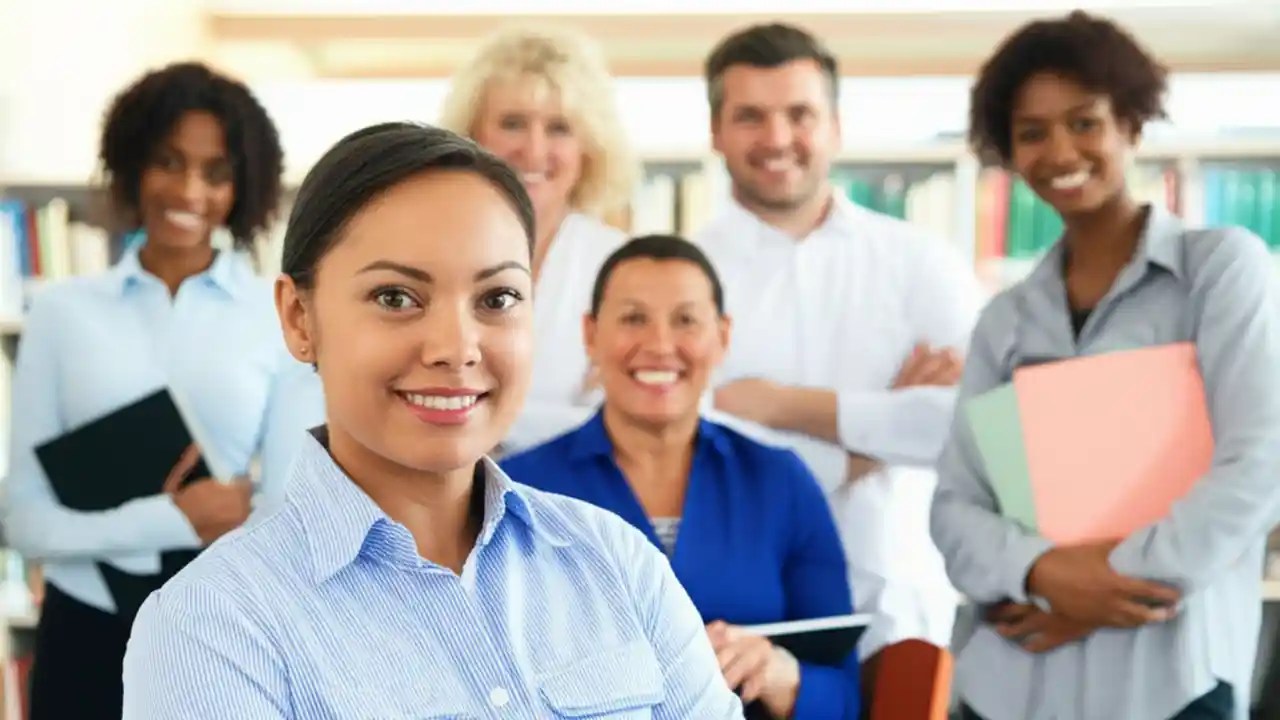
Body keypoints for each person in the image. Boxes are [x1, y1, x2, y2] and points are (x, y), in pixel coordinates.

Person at [120, 122, 744, 719]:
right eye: (396, 298)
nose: (457, 346)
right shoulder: (213, 625)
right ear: (298, 318)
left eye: (497, 299)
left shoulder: (616, 561)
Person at [931, 11, 1280, 720]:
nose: (1061, 149)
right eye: (1032, 132)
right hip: (1010, 686)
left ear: (1131, 123)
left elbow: (1259, 464)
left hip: (1170, 681)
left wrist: (1099, 589)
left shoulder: (1218, 271)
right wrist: (1044, 575)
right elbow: (954, 510)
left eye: (1084, 121)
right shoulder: (1004, 321)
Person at [2, 62, 317, 719]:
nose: (189, 190)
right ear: (132, 164)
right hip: (82, 631)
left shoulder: (275, 313)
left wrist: (119, 531)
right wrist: (176, 520)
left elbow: (283, 510)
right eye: (169, 162)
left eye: (216, 171)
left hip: (219, 624)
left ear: (244, 184)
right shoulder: (62, 314)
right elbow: (25, 521)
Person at [692, 22, 985, 682]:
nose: (776, 139)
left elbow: (976, 428)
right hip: (732, 625)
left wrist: (777, 406)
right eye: (750, 116)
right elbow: (678, 448)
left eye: (799, 113)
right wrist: (868, 438)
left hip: (898, 612)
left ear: (836, 125)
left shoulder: (922, 262)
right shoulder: (681, 274)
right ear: (715, 131)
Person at [502, 234, 860, 719]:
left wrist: (783, 674)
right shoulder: (517, 491)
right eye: (633, 318)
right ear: (590, 334)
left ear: (723, 336)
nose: (660, 345)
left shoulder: (780, 482)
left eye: (686, 320)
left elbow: (844, 693)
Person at [438, 25, 637, 454]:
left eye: (559, 128)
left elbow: (625, 425)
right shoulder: (430, 247)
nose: (534, 149)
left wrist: (476, 415)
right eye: (512, 124)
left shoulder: (622, 264)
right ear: (471, 134)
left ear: (590, 147)